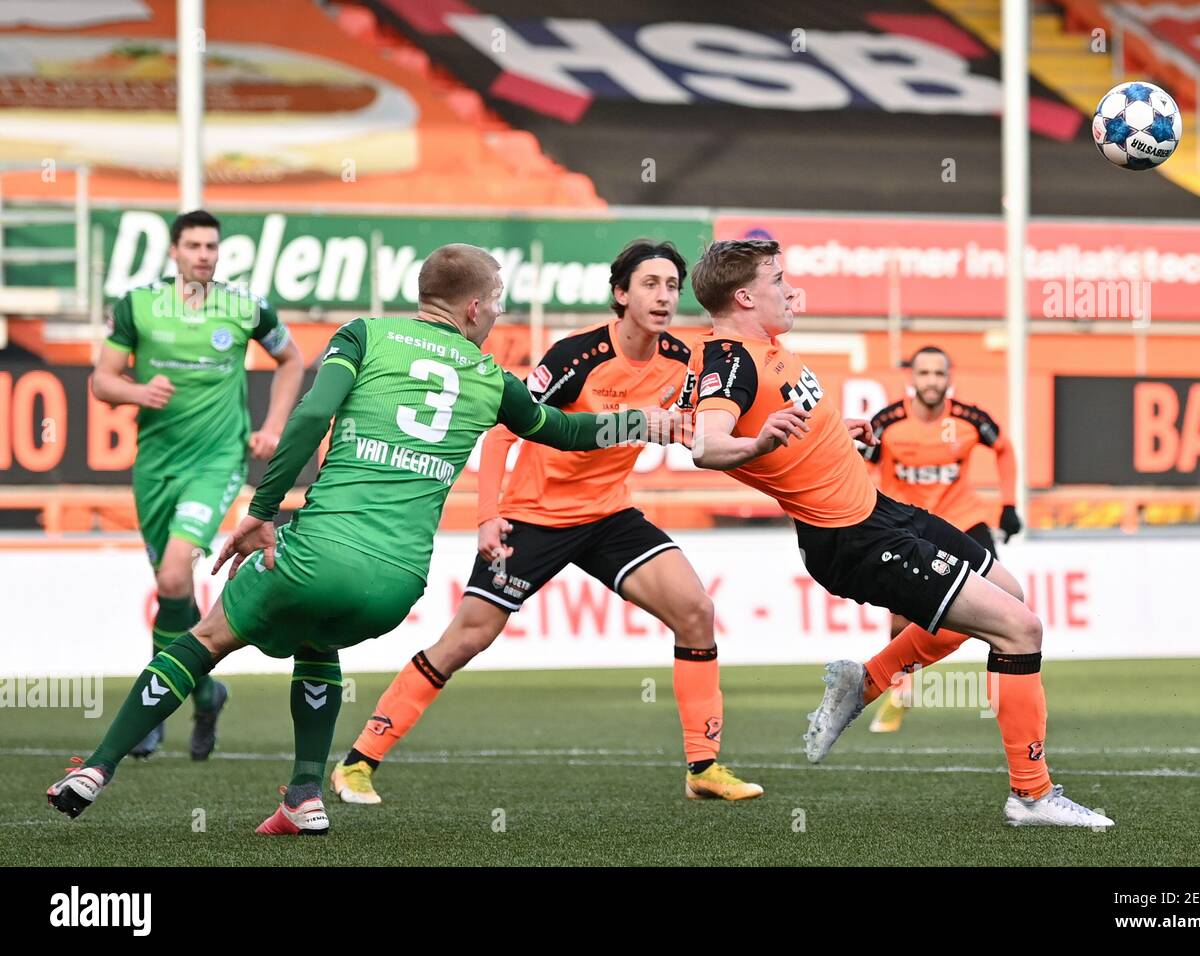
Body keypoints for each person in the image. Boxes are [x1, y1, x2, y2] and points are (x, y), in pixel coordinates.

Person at [48, 243, 664, 835]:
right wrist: (645, 420)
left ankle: (97, 767)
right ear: (474, 308)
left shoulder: (364, 335)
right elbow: (566, 430)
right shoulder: (493, 377)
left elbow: (312, 416)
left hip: (318, 557)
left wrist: (263, 510)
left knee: (205, 639)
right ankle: (305, 797)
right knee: (319, 639)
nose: (498, 312)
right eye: (497, 301)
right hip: (397, 586)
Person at [685, 239, 1112, 828]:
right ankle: (1031, 796)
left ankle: (863, 684)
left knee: (1009, 599)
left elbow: (785, 416)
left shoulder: (765, 346)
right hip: (853, 538)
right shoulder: (730, 360)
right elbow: (708, 445)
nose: (789, 289)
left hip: (880, 510)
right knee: (1021, 630)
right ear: (744, 296)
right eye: (777, 280)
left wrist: (838, 431)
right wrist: (759, 443)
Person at [331, 239, 762, 805]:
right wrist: (489, 518)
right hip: (533, 517)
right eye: (651, 284)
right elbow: (504, 433)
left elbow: (701, 428)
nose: (664, 296)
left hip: (609, 515)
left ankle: (703, 767)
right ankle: (359, 761)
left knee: (696, 611)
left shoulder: (683, 361)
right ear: (621, 294)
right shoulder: (576, 356)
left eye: (672, 286)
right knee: (468, 638)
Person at [91, 209, 303, 760]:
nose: (204, 254)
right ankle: (205, 692)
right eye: (193, 246)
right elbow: (102, 380)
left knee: (173, 570)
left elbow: (290, 360)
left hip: (216, 462)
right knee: (172, 588)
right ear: (174, 252)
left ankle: (153, 710)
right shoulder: (138, 305)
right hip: (154, 466)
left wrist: (273, 426)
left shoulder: (245, 307)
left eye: (211, 246)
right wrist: (139, 394)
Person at [862, 344, 1022, 732]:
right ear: (911, 379)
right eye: (924, 373)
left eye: (938, 373)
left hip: (963, 524)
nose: (931, 381)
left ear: (949, 378)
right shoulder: (886, 422)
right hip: (908, 528)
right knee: (901, 620)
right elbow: (860, 467)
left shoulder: (970, 419)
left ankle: (1006, 690)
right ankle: (900, 690)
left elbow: (1004, 449)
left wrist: (1009, 504)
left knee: (1005, 603)